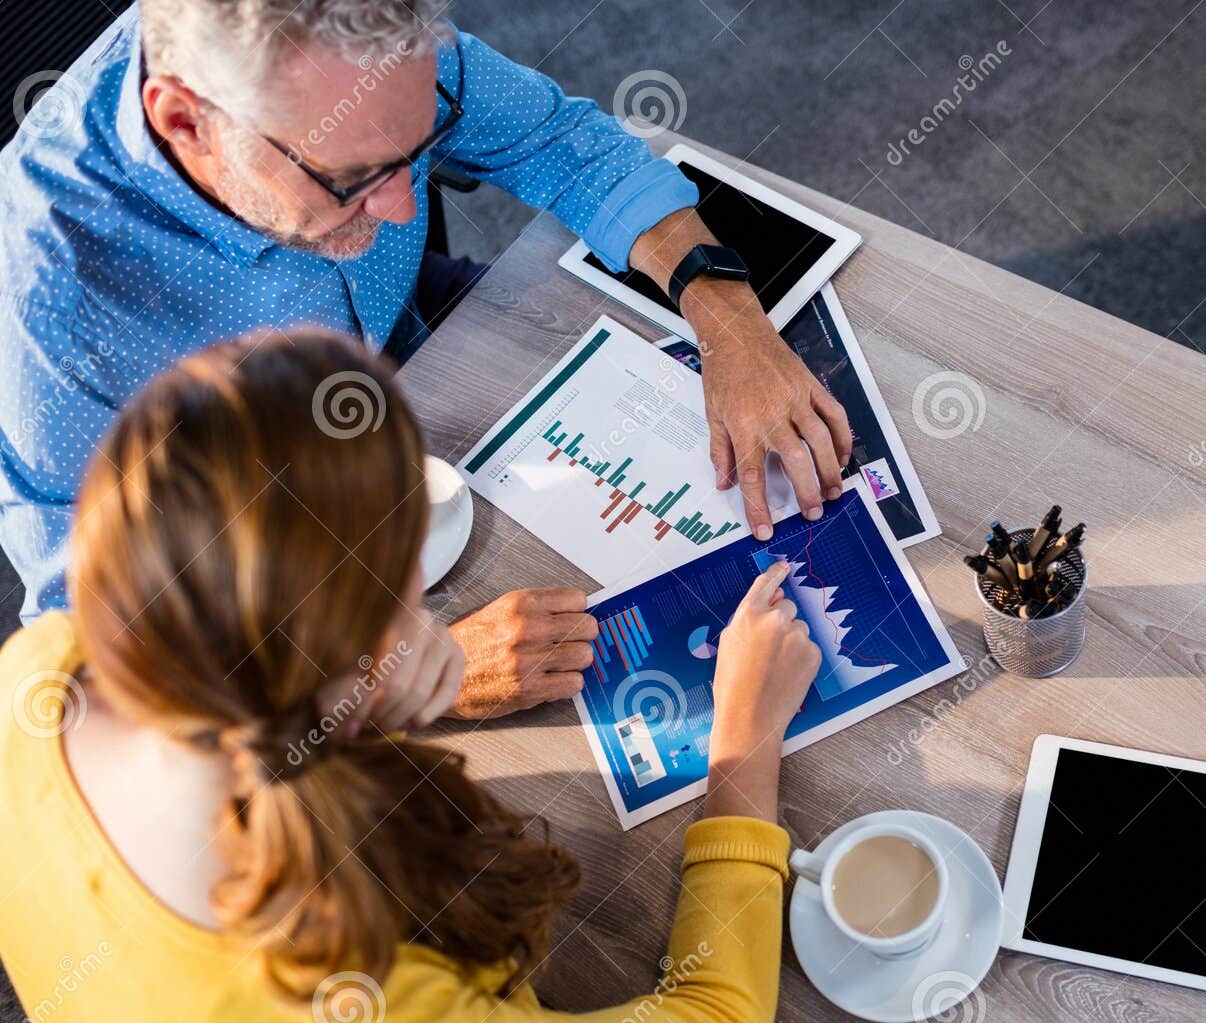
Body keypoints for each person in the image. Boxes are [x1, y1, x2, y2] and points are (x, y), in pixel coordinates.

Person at [0, 0, 850, 719]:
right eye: (354, 176)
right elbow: (99, 672)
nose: (408, 203)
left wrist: (727, 315)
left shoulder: (368, 50)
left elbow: (561, 142)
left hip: (423, 356)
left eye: (420, 147)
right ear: (188, 122)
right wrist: (390, 685)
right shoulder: (48, 293)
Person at [0, 330, 821, 1023]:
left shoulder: (37, 670)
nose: (422, 591)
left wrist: (337, 695)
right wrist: (743, 751)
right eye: (402, 567)